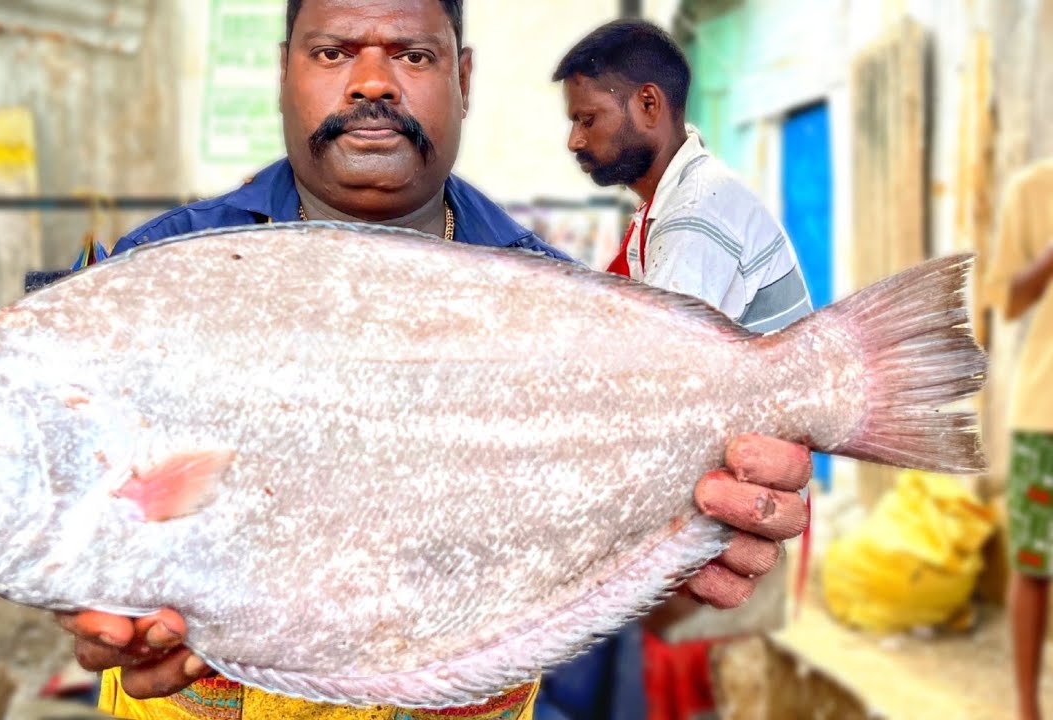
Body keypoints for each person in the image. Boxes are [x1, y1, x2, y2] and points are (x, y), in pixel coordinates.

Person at [52, 3, 813, 718]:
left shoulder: (565, 312)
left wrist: (695, 536)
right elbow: (57, 485)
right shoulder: (153, 275)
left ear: (463, 79)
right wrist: (77, 581)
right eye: (334, 52)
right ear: (286, 71)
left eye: (413, 54)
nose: (373, 81)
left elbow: (607, 586)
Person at [538, 20, 814, 719]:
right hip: (705, 509)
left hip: (723, 527)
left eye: (588, 119)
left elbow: (657, 401)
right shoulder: (661, 214)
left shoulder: (695, 220)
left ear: (650, 106)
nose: (576, 140)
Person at [983, 157, 1053, 720]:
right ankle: (1027, 707)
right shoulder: (1032, 189)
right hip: (1045, 412)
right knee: (1035, 565)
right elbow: (1006, 299)